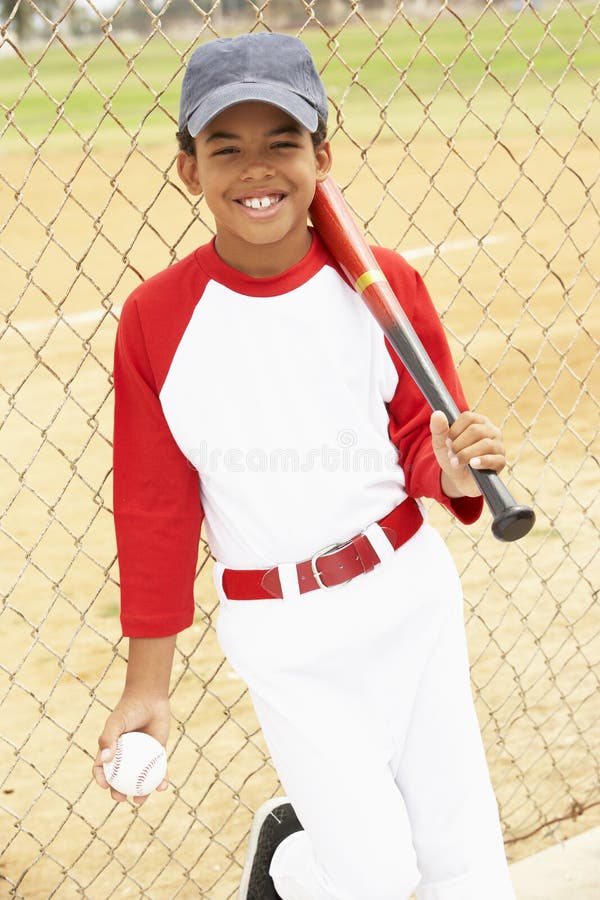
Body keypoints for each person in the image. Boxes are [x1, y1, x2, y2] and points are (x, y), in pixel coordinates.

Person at [93, 32, 516, 900]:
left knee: (464, 863)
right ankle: (294, 864)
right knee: (375, 877)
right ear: (189, 170)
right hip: (283, 630)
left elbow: (421, 438)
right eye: (226, 148)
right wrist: (147, 686)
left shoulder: (383, 285)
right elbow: (154, 507)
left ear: (321, 156)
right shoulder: (158, 320)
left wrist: (452, 472)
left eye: (282, 142)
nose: (257, 168)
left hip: (408, 594)